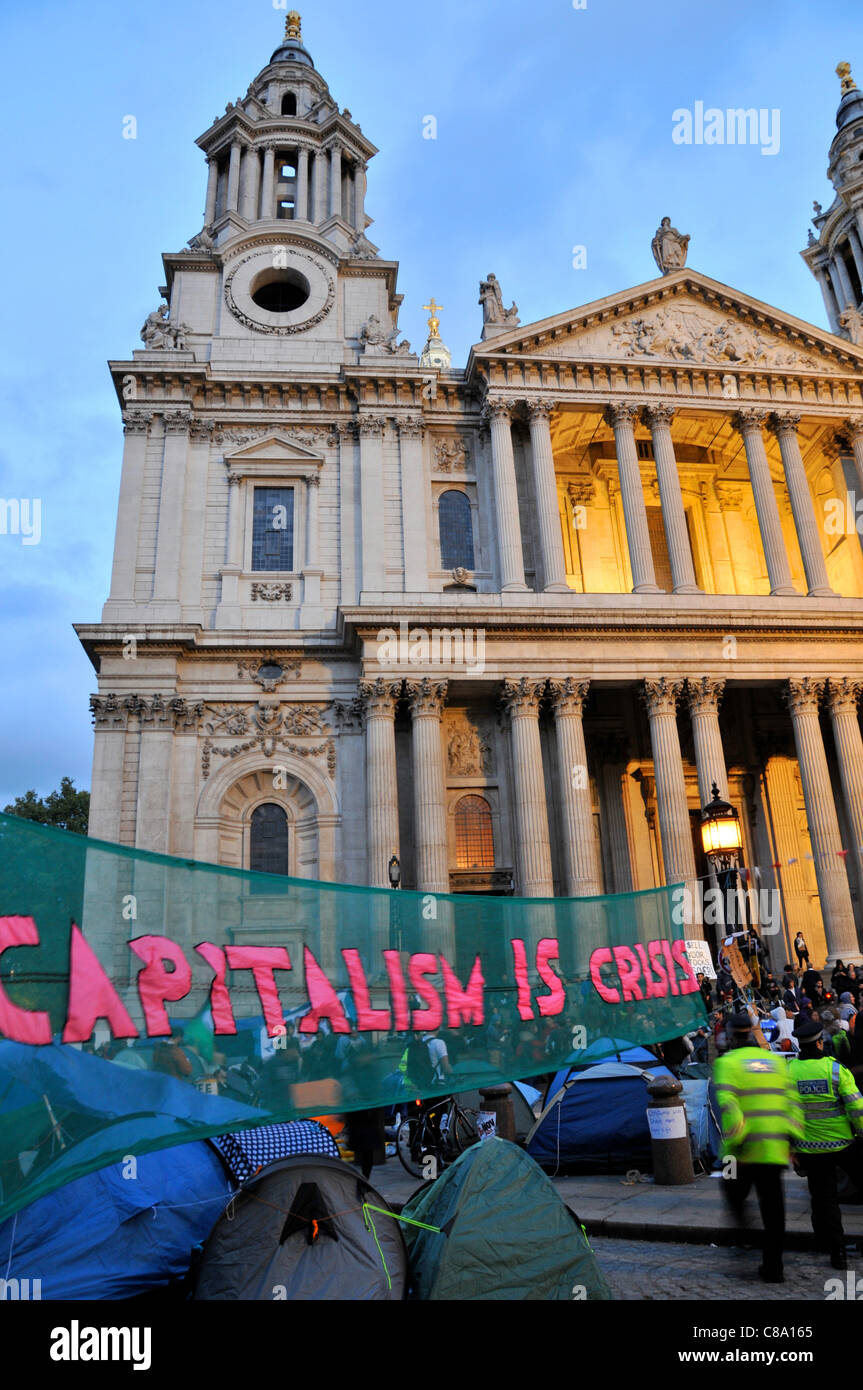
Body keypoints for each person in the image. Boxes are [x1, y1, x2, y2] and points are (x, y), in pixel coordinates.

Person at [713, 1011, 805, 1282]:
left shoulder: (726, 1063)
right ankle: (774, 1267)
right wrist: (792, 1141)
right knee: (774, 1210)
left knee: (729, 1187)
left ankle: (744, 1235)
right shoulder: (774, 1062)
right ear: (752, 1033)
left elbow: (729, 1107)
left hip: (739, 1153)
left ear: (729, 1035)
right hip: (774, 1149)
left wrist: (736, 1143)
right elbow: (792, 1103)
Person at [789, 1015, 863, 1269]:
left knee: (825, 1200)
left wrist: (791, 1146)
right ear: (819, 1043)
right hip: (844, 1145)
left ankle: (837, 1253)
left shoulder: (789, 1073)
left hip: (810, 1149)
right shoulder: (835, 1069)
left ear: (801, 1045)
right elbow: (857, 1108)